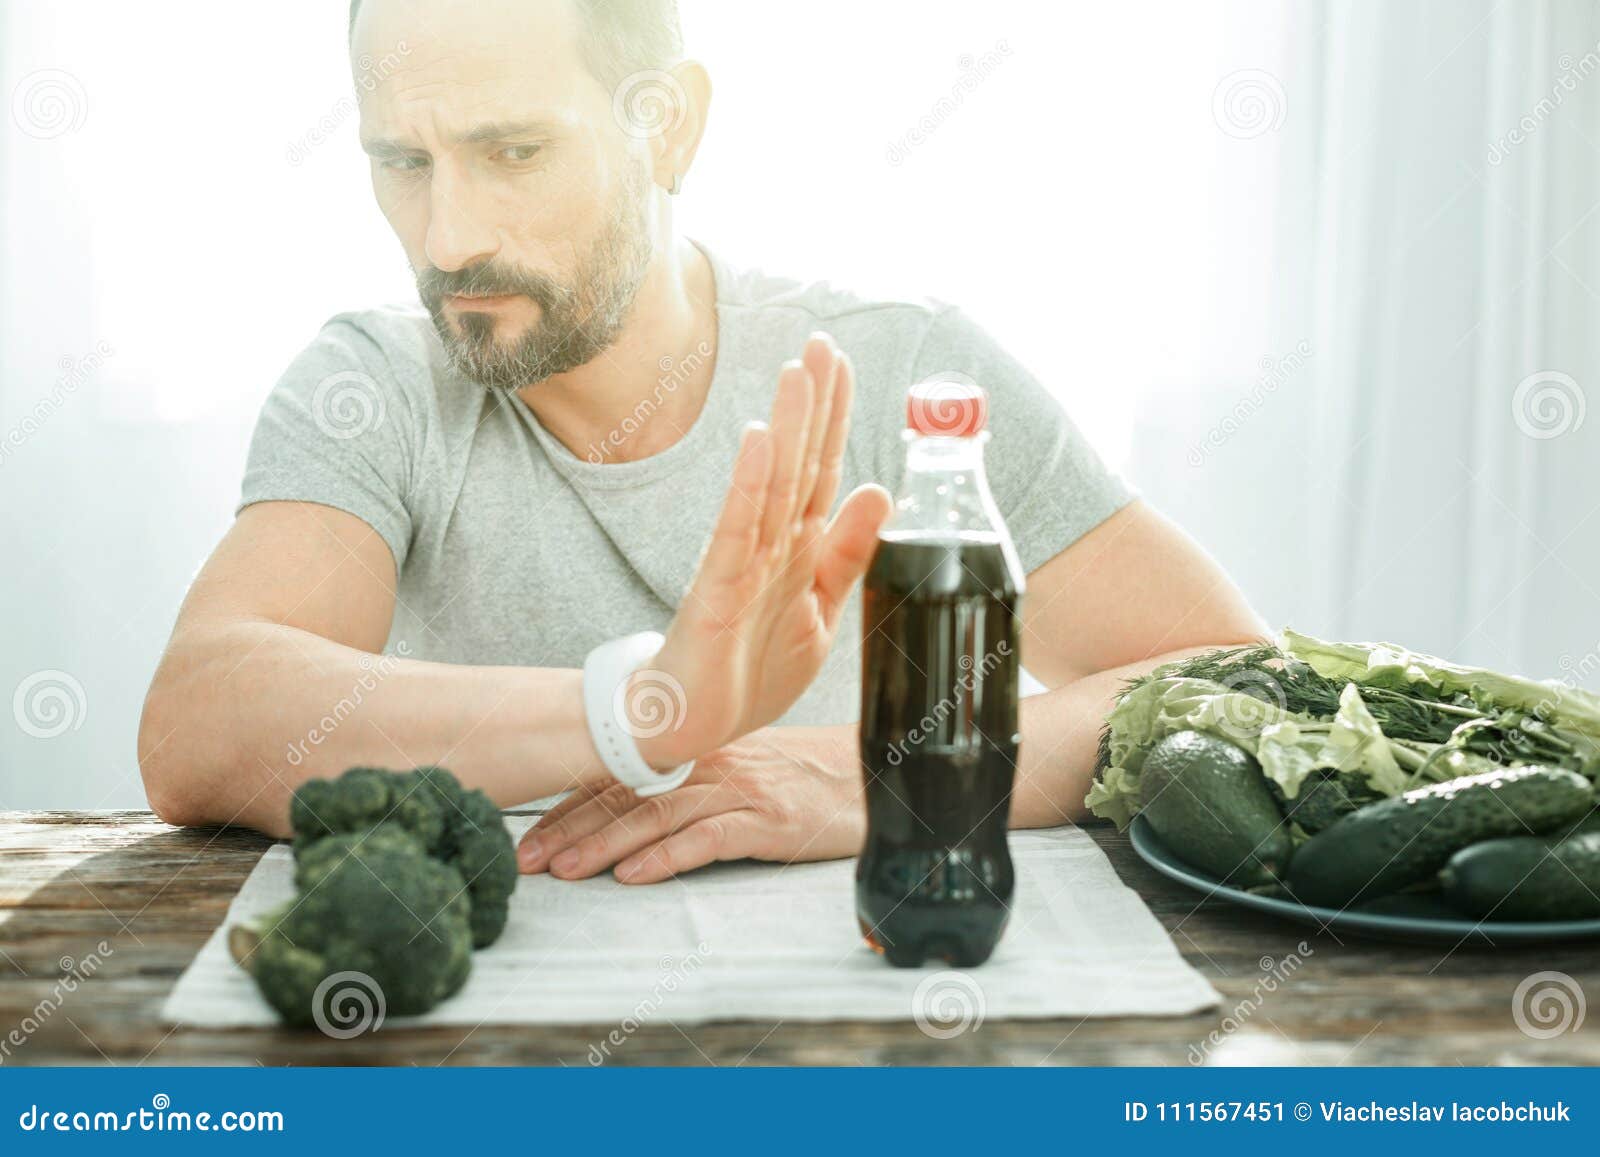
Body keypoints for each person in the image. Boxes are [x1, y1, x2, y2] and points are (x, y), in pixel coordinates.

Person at [138, 0, 1267, 884]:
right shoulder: (371, 385)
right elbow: (201, 720)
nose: (448, 238)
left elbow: (1230, 682)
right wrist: (641, 709)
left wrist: (877, 778)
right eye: (401, 162)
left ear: (666, 121)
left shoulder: (908, 369)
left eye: (515, 151)